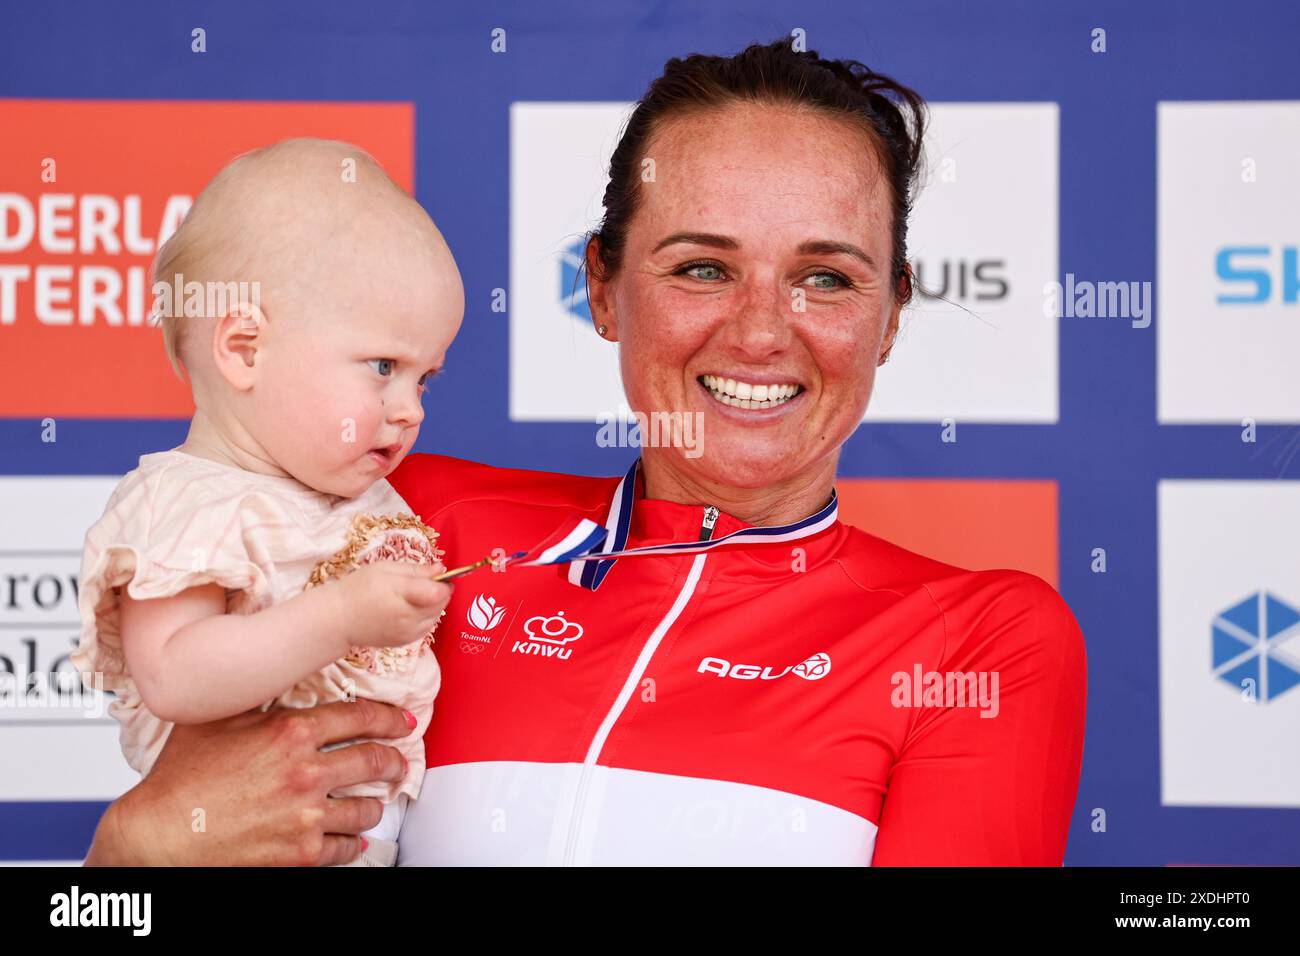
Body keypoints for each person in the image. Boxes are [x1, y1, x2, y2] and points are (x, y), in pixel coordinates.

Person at [84, 40, 1086, 867]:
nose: (760, 332)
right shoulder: (402, 523)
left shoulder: (981, 643)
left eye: (825, 277)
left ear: (890, 315)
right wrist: (131, 845)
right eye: (702, 266)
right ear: (601, 287)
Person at [73, 138, 462, 867]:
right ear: (245, 349)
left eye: (425, 378)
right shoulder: (185, 505)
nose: (409, 409)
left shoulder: (363, 499)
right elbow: (177, 674)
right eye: (384, 367)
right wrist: (342, 616)